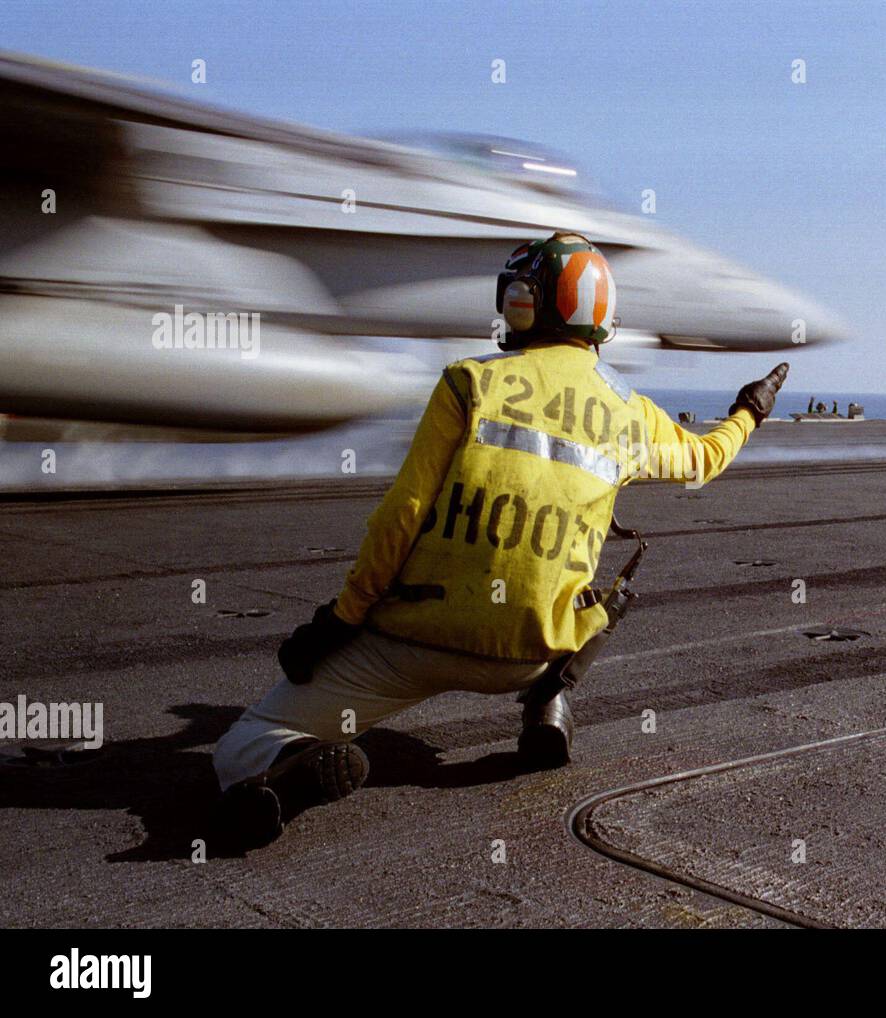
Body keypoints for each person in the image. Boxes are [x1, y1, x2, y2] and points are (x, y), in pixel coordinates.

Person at [210, 231, 789, 847]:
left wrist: (340, 619)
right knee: (603, 593)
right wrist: (749, 411)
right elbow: (703, 460)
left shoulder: (468, 383)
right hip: (528, 651)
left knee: (240, 746)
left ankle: (275, 770)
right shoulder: (630, 413)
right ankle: (550, 704)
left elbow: (401, 514)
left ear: (526, 303)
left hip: (413, 639)